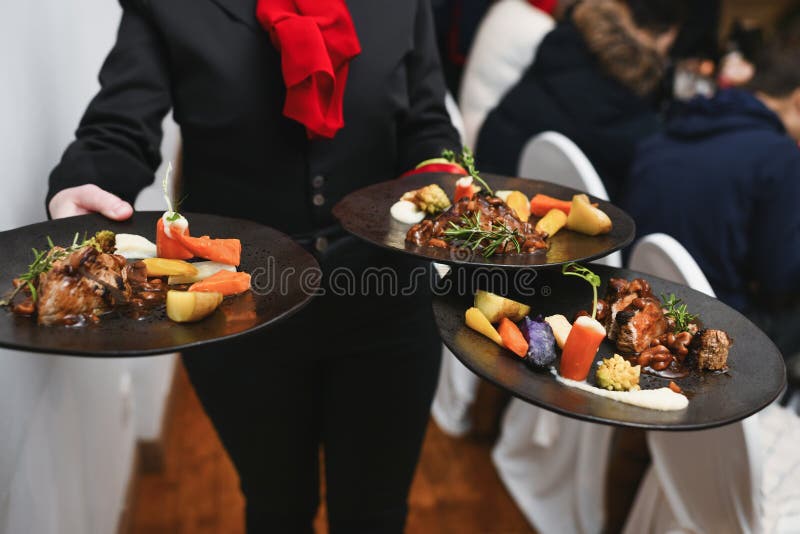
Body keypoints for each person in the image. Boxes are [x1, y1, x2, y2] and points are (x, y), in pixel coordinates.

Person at [46, 1, 460, 532]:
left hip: (387, 297)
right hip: (240, 310)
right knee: (276, 506)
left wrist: (443, 179)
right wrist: (88, 182)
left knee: (375, 512)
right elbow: (119, 125)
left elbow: (426, 120)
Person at [621, 33, 800, 386]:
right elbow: (779, 277)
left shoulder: (669, 130)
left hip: (638, 306)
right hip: (714, 329)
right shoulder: (779, 157)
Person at [475, 0, 686, 201]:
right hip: (541, 224)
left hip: (484, 174)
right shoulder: (639, 119)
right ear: (669, 36)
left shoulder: (566, 38)